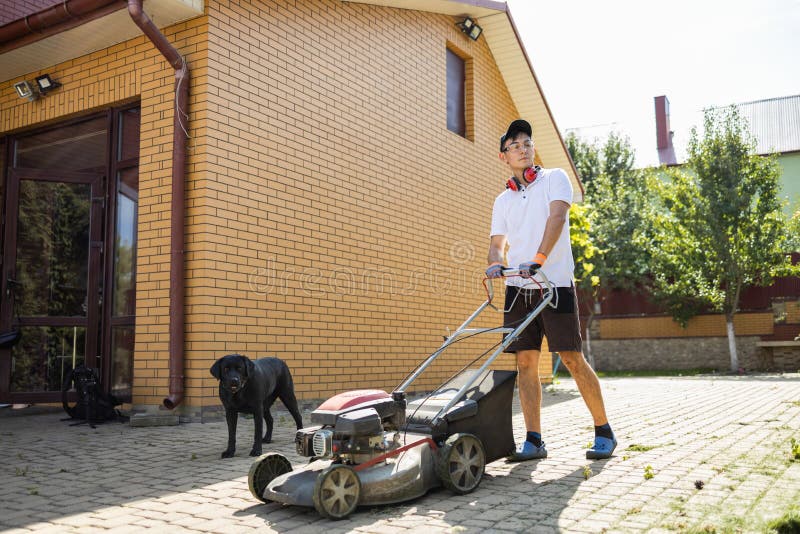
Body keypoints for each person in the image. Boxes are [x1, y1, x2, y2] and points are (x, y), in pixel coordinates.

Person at [486, 119, 616, 461]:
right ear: (504, 157)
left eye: (526, 143)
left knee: (571, 357)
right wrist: (495, 263)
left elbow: (556, 218)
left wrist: (540, 258)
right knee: (526, 363)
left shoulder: (554, 178)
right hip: (518, 288)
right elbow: (497, 243)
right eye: (514, 145)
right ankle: (534, 441)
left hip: (553, 284)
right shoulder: (502, 200)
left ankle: (603, 430)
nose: (523, 148)